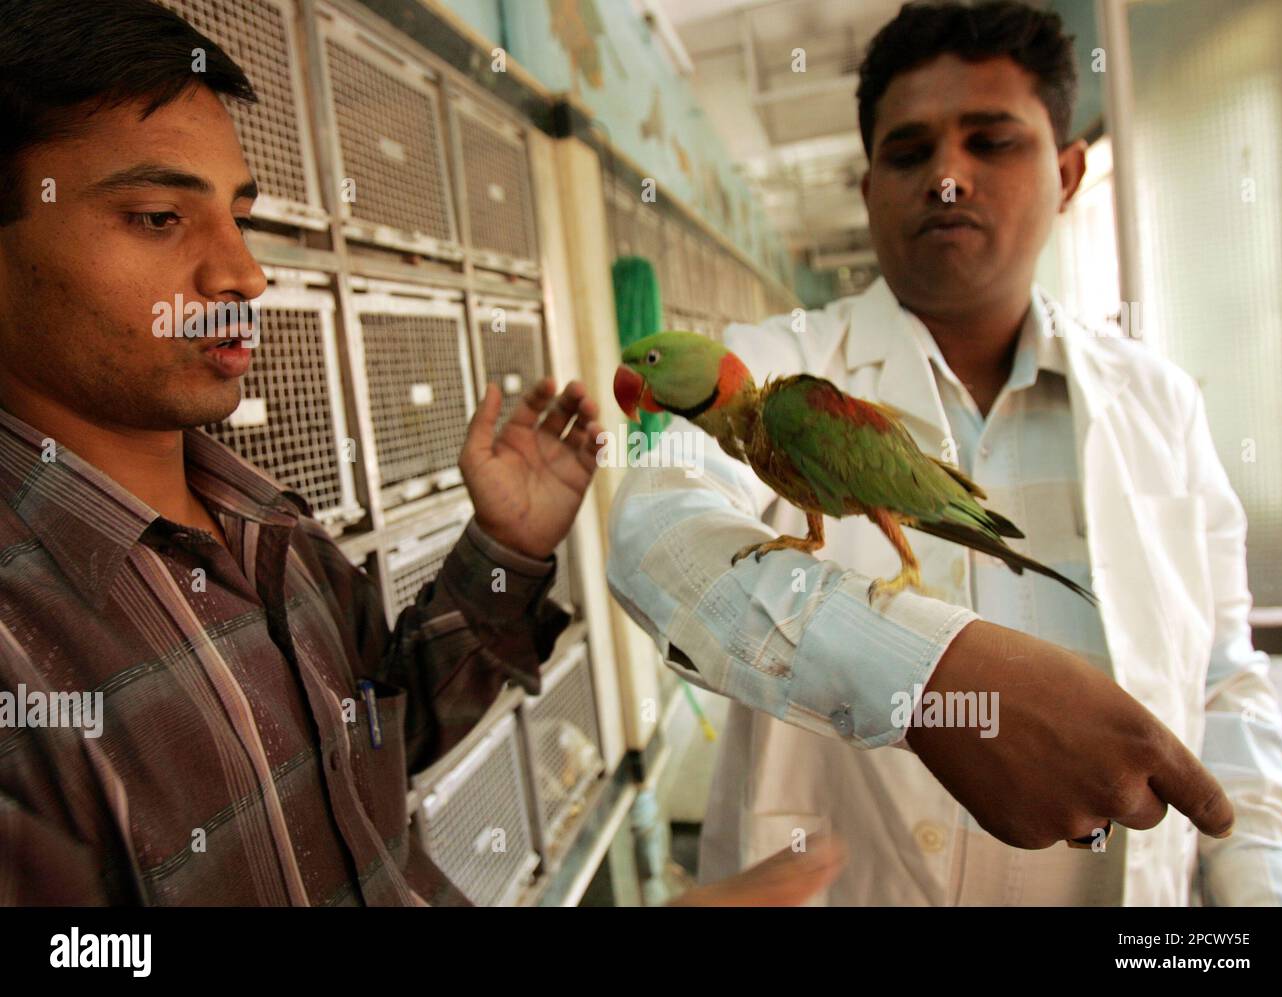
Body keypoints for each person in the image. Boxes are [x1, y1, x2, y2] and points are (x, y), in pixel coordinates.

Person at [0, 0, 838, 908]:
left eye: (239, 216)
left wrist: (506, 552)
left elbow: (381, 737)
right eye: (160, 216)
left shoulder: (269, 525)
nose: (243, 274)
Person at [606, 0, 1282, 905]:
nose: (945, 179)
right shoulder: (785, 364)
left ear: (1068, 171)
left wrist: (1258, 894)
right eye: (908, 152)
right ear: (865, 189)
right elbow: (655, 527)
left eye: (992, 142)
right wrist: (930, 676)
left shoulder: (1162, 400)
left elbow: (1224, 678)